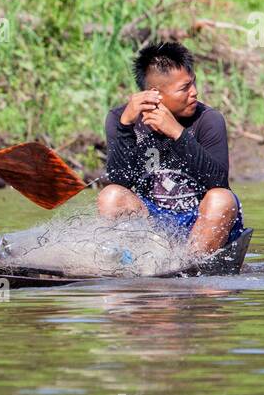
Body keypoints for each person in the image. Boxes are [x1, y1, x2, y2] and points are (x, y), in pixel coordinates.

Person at [98, 41, 245, 254]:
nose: (194, 92)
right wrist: (125, 127)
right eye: (184, 88)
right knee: (111, 196)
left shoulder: (209, 119)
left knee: (222, 198)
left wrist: (177, 133)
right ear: (154, 93)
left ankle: (190, 264)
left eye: (193, 83)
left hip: (202, 220)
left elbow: (218, 181)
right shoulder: (120, 119)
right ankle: (135, 261)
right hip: (154, 220)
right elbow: (120, 180)